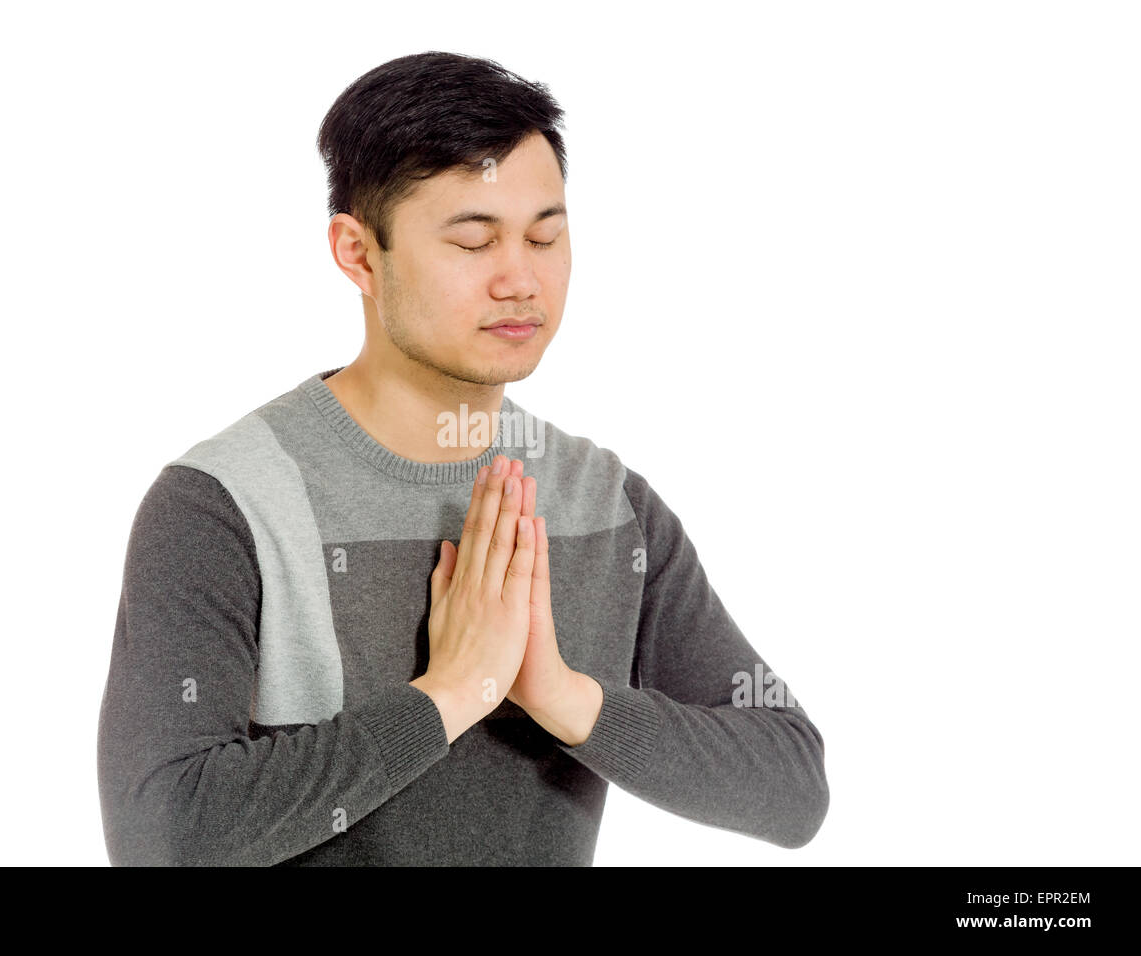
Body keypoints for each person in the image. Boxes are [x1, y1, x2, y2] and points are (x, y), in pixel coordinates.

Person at [96, 50, 829, 866]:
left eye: (545, 237)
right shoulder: (225, 506)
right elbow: (161, 836)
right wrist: (447, 696)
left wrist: (561, 695)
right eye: (475, 242)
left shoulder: (607, 506)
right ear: (358, 254)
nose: (522, 280)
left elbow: (793, 786)